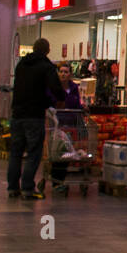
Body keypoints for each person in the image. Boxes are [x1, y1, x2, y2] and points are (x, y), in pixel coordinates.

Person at [7, 38, 64, 199]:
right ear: (47, 50)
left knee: (16, 152)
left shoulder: (22, 64)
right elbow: (56, 88)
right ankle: (27, 188)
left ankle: (12, 188)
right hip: (34, 115)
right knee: (33, 152)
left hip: (17, 114)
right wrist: (59, 98)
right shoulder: (46, 66)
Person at [47, 64, 84, 193]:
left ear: (70, 74)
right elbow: (50, 102)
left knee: (67, 153)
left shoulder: (74, 88)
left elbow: (77, 104)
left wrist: (81, 110)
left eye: (66, 72)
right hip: (57, 125)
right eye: (61, 71)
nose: (63, 74)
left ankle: (58, 181)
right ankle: (57, 180)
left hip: (71, 125)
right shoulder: (53, 87)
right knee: (59, 152)